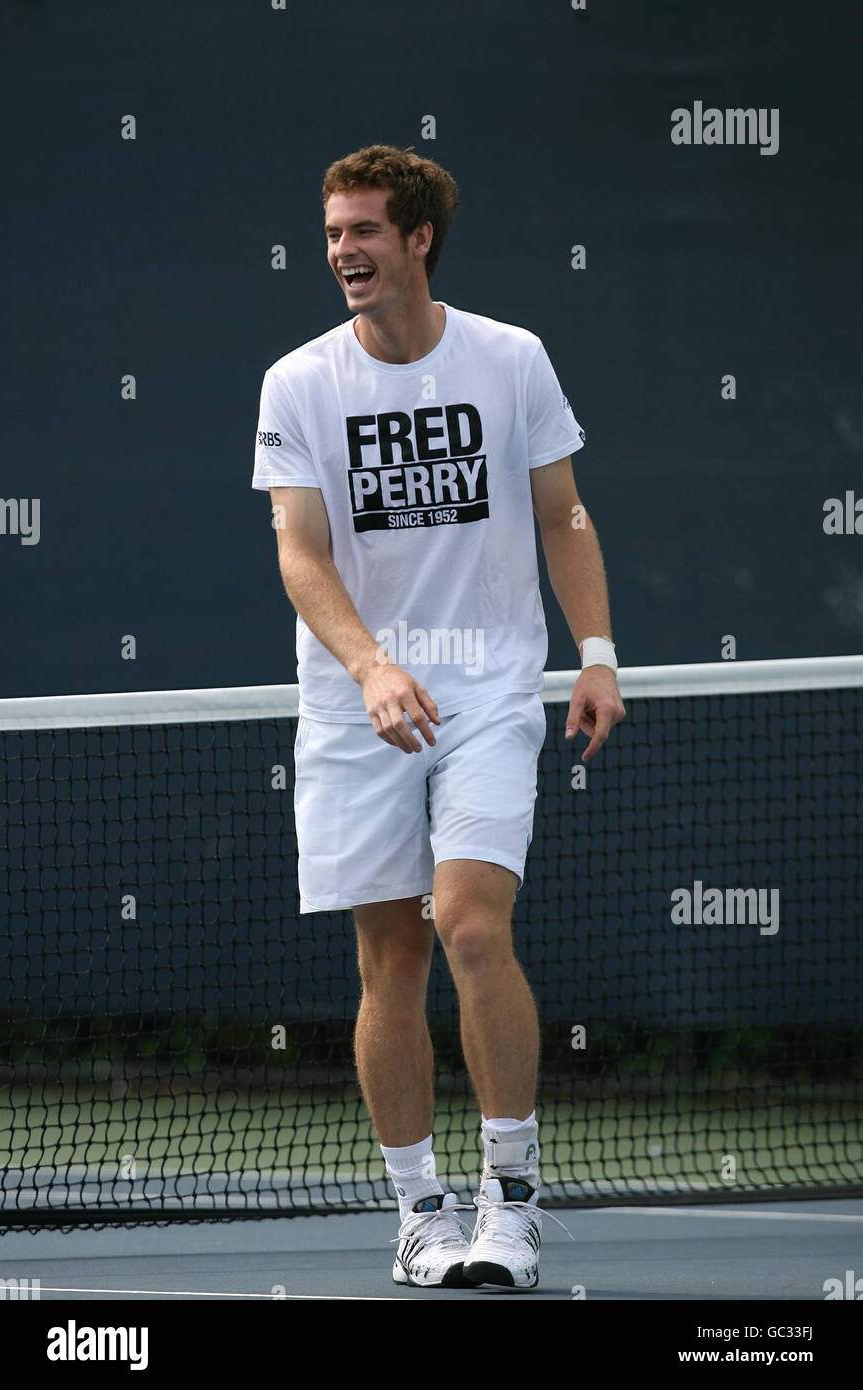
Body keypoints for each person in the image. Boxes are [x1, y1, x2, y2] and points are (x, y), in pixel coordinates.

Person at [252, 143, 625, 1289]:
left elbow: (560, 515)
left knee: (469, 926)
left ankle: (509, 1203)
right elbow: (298, 551)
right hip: (353, 700)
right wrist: (368, 668)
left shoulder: (510, 360)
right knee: (392, 960)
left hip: (484, 687)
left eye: (363, 231)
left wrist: (596, 652)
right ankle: (421, 1211)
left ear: (418, 239)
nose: (341, 253)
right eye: (330, 234)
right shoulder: (298, 382)